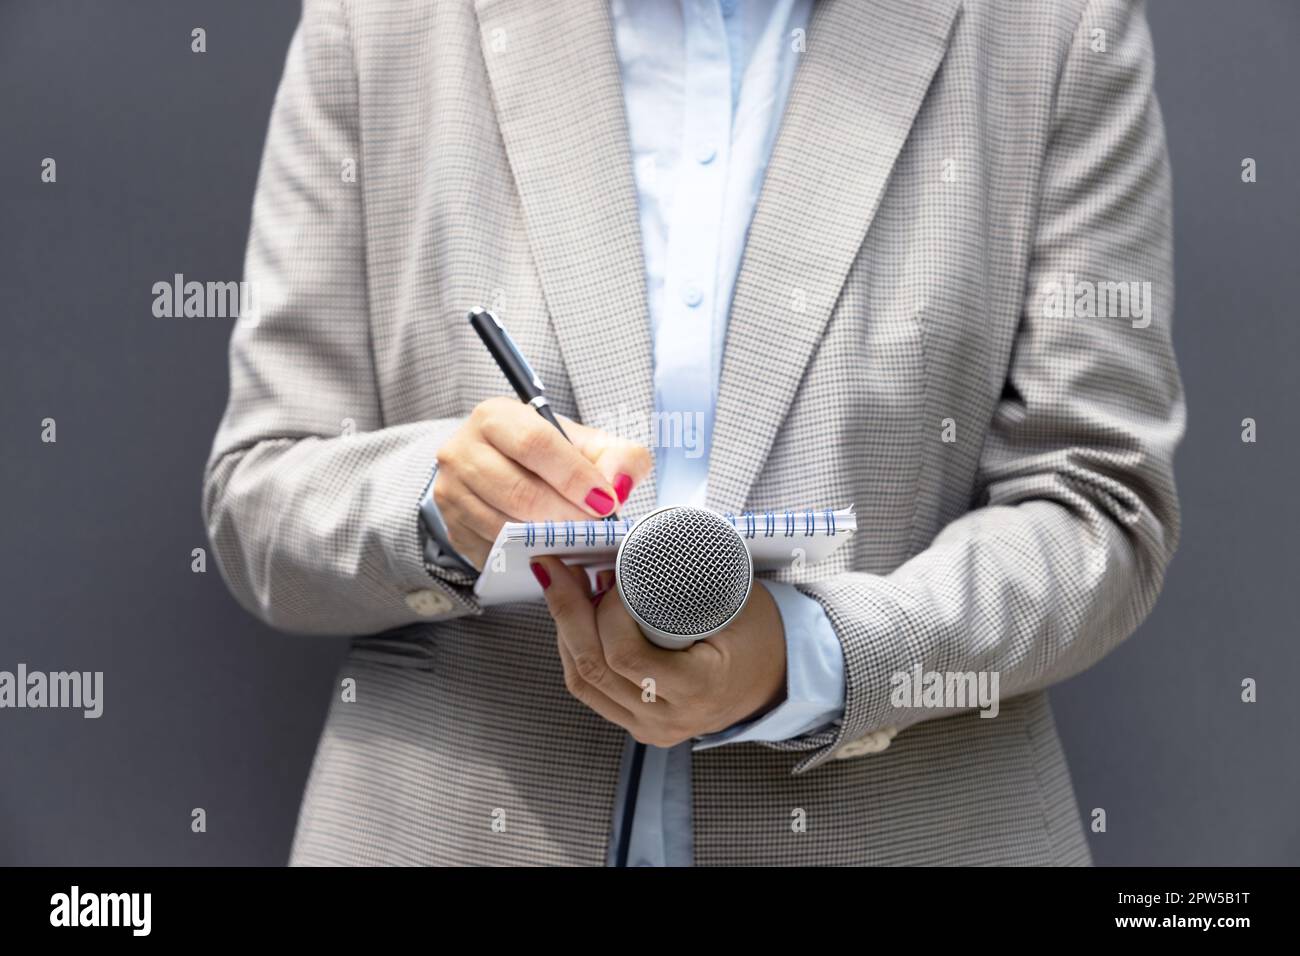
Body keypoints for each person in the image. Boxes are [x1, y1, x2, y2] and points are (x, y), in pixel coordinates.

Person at [203, 0, 1184, 866]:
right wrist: (441, 507)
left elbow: (1095, 507)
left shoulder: (1052, 25)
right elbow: (260, 498)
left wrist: (812, 657)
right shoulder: (377, 21)